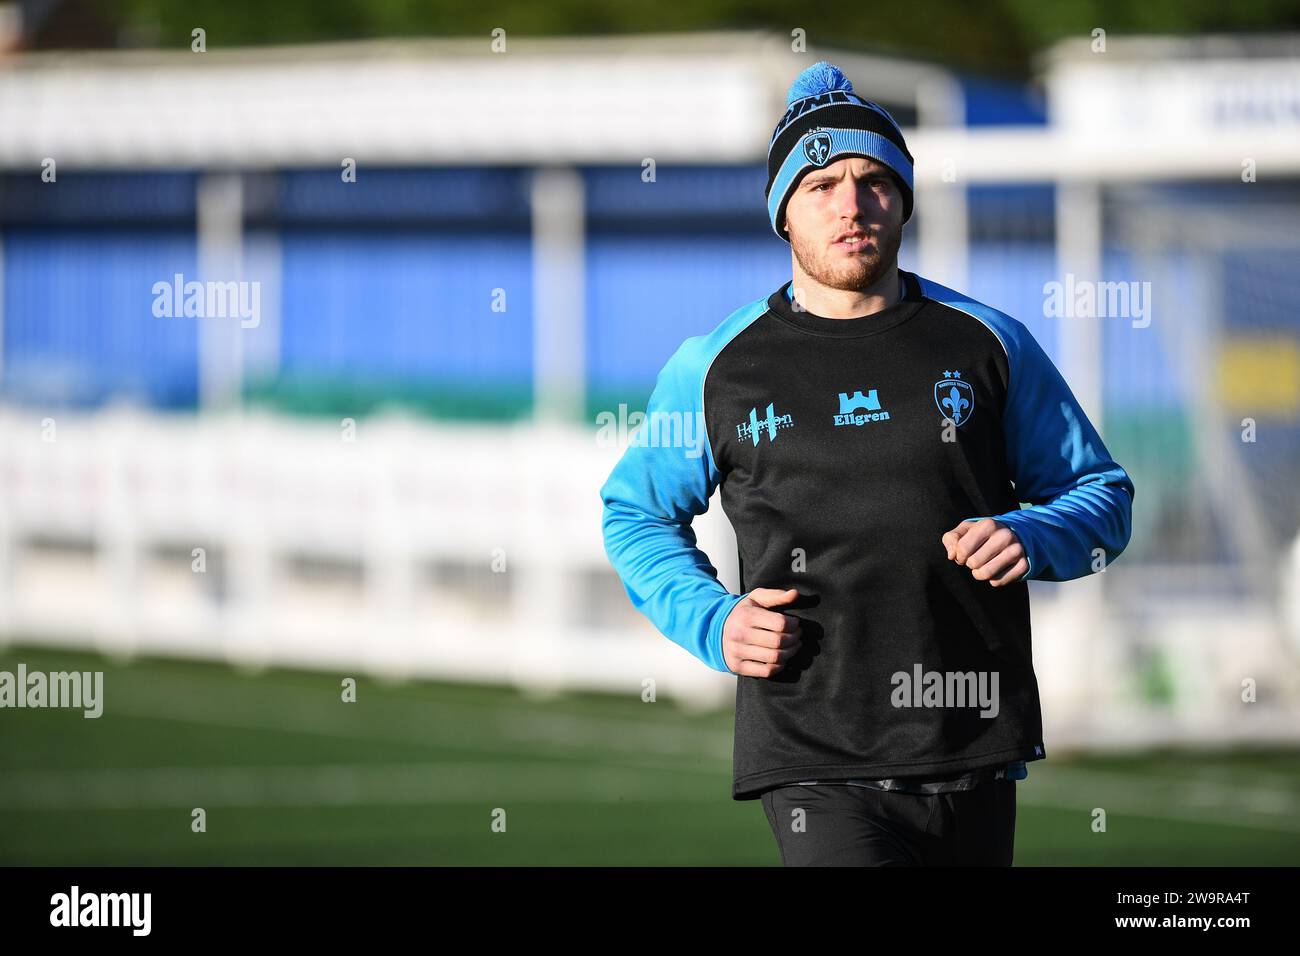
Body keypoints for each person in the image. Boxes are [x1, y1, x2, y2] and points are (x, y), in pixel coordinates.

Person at [598, 61, 1134, 866]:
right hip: (815, 758)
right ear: (784, 212)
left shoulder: (990, 344)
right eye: (821, 185)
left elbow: (1103, 496)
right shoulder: (717, 366)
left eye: (875, 180)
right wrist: (713, 619)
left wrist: (1034, 532)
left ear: (905, 199)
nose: (851, 205)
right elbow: (635, 512)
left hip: (973, 742)